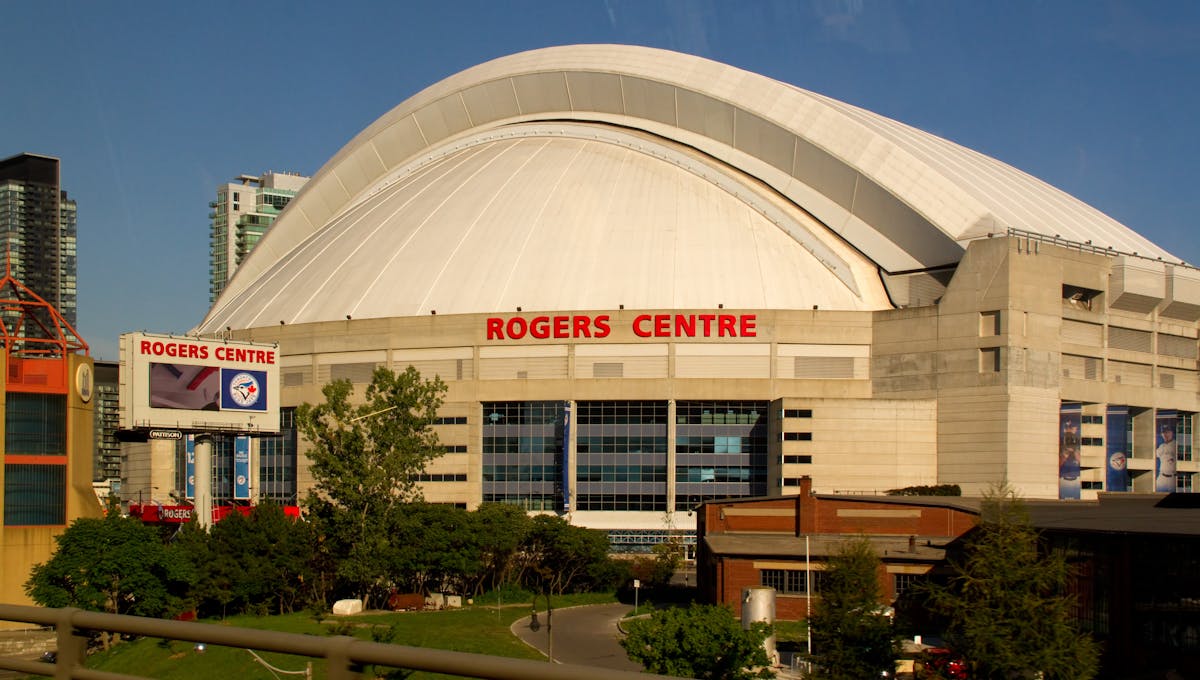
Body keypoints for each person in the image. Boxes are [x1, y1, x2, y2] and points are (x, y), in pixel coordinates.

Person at [1156, 423, 1177, 492]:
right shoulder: (1161, 446)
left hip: (1172, 478)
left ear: (1172, 433)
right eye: (1163, 432)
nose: (1165, 434)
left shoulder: (1176, 444)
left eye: (1167, 432)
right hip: (1162, 477)